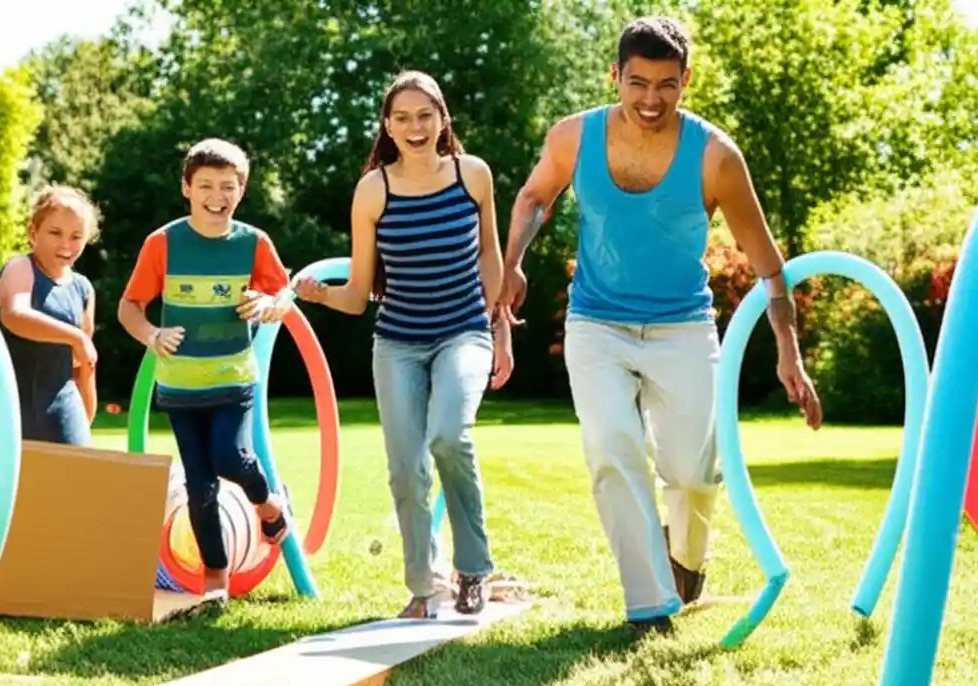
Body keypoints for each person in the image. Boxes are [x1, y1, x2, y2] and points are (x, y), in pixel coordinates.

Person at [499, 16, 824, 634]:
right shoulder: (574, 137)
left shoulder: (716, 157)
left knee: (694, 471)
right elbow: (535, 196)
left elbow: (768, 267)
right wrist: (513, 263)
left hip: (682, 327)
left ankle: (687, 559)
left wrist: (790, 353)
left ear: (686, 81)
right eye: (638, 83)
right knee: (611, 449)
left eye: (667, 85)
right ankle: (650, 604)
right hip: (597, 322)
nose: (652, 99)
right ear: (614, 75)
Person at [294, 70, 514, 620]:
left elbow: (491, 259)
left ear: (443, 119)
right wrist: (318, 295)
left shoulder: (474, 176)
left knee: (448, 435)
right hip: (397, 341)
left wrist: (500, 326)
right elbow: (362, 292)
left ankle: (472, 569)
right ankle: (422, 587)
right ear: (387, 126)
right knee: (405, 467)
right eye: (401, 117)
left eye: (424, 115)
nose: (414, 127)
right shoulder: (374, 190)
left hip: (465, 330)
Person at [118, 138, 294, 608]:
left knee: (229, 456)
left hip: (234, 378)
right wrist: (152, 335)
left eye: (228, 186)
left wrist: (269, 303)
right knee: (199, 486)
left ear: (242, 189)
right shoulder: (163, 243)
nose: (217, 195)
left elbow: (283, 295)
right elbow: (129, 307)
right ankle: (216, 582)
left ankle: (270, 504)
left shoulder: (253, 243)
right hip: (179, 387)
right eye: (206, 186)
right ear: (187, 188)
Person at [0, 184, 101, 446]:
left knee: (73, 481)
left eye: (76, 236)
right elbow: (15, 316)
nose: (66, 244)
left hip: (56, 408)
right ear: (33, 233)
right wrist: (75, 337)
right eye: (55, 232)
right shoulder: (21, 268)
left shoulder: (83, 289)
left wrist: (84, 417)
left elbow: (84, 365)